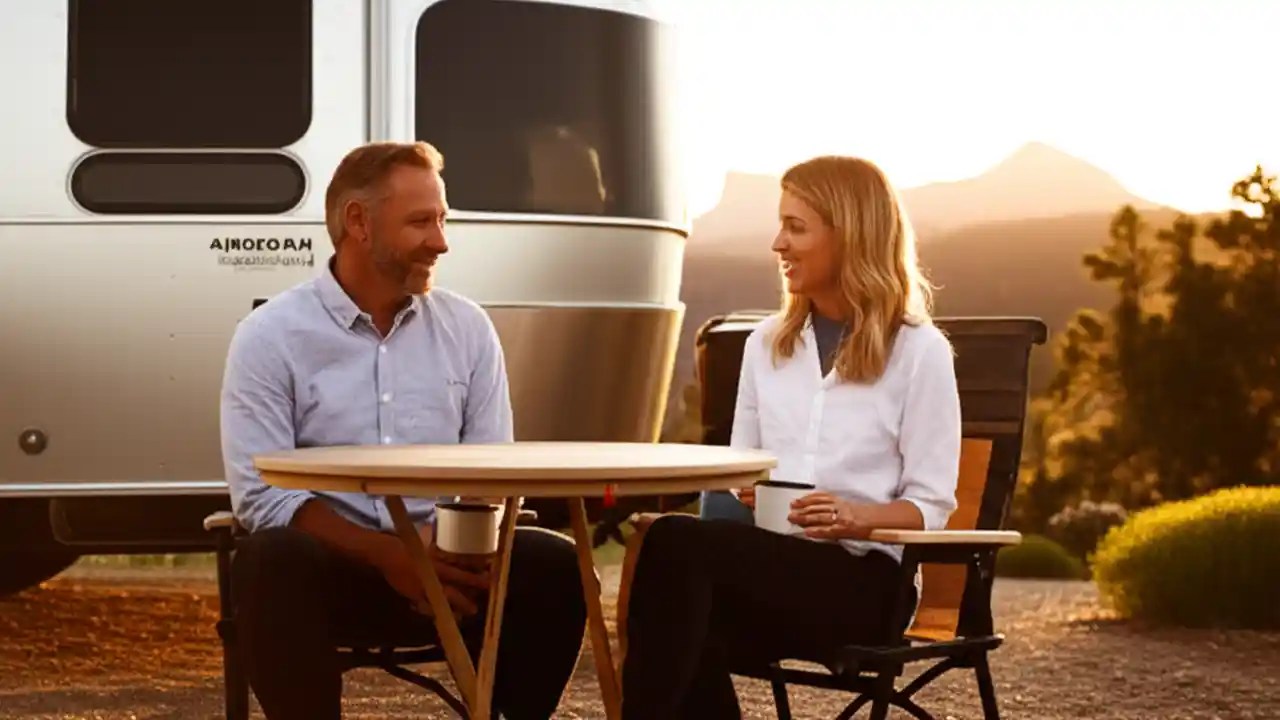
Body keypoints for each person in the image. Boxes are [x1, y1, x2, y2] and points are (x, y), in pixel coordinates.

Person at [219, 141, 587, 720]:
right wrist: (391, 556)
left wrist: (454, 551)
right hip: (337, 569)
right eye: (421, 222)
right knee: (270, 562)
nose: (441, 241)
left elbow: (491, 466)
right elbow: (261, 495)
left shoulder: (467, 328)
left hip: (453, 569)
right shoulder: (269, 336)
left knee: (553, 565)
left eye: (442, 220)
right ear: (357, 223)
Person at [620, 155, 962, 718]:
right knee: (678, 594)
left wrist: (855, 515)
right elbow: (738, 472)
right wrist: (744, 493)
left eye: (796, 227)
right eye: (780, 226)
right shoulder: (765, 345)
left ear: (849, 234)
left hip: (866, 583)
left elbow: (931, 507)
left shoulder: (919, 352)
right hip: (770, 567)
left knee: (675, 554)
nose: (778, 243)